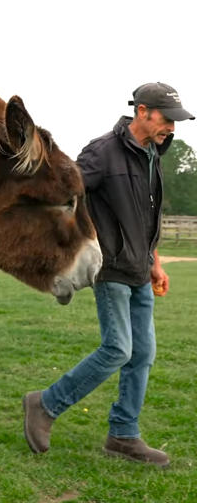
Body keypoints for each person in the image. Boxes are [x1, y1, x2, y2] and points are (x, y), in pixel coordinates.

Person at [22, 82, 194, 467]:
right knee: (119, 348)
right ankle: (45, 404)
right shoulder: (102, 153)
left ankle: (123, 435)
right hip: (111, 267)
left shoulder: (152, 155)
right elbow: (65, 198)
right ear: (143, 111)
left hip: (139, 268)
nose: (172, 127)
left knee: (142, 353)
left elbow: (149, 217)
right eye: (167, 119)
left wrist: (155, 261)